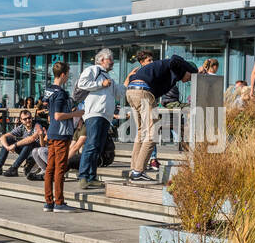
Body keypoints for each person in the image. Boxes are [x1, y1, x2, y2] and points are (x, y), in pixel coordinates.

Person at [126, 52, 197, 182]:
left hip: (132, 91)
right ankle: (138, 171)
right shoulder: (173, 65)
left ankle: (134, 169)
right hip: (142, 92)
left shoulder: (168, 74)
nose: (189, 80)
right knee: (152, 134)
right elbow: (176, 57)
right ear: (186, 70)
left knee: (142, 132)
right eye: (191, 77)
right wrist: (195, 70)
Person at [41, 61, 84, 212]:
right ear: (63, 74)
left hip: (52, 132)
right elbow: (58, 115)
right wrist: (76, 114)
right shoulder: (60, 93)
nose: (68, 78)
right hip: (61, 133)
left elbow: (50, 112)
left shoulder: (48, 90)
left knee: (50, 168)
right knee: (59, 168)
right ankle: (59, 202)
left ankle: (48, 202)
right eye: (68, 75)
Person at [74, 48, 116, 190]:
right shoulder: (93, 70)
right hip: (95, 113)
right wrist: (100, 84)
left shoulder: (108, 77)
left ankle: (91, 176)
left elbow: (119, 93)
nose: (112, 61)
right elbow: (82, 84)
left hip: (105, 115)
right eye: (110, 58)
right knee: (91, 145)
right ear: (101, 60)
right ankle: (84, 176)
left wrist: (130, 79)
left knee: (97, 146)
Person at [0, 110, 42, 176]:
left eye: (29, 118)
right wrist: (7, 147)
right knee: (8, 139)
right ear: (21, 120)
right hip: (27, 152)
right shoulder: (22, 127)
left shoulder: (37, 126)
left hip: (35, 154)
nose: (28, 120)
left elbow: (32, 138)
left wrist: (14, 145)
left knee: (29, 143)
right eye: (25, 119)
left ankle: (14, 168)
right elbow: (3, 137)